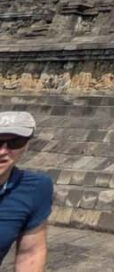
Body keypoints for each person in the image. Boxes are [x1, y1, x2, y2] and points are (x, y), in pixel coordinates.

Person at [0, 112, 52, 271]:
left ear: (27, 144)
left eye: (15, 142)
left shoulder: (35, 189)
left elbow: (30, 253)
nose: (3, 151)